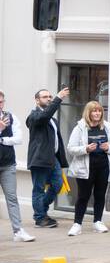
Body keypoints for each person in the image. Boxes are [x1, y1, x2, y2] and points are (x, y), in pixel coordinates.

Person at [26, 87, 69, 229]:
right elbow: (44, 117)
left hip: (53, 158)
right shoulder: (34, 116)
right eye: (45, 97)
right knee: (38, 189)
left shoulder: (53, 120)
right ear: (37, 100)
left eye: (50, 96)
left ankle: (41, 209)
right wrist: (58, 98)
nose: (49, 99)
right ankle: (40, 218)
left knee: (57, 184)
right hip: (39, 159)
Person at [67, 100, 110, 237]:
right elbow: (70, 148)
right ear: (89, 113)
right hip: (85, 167)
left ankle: (97, 222)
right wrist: (85, 148)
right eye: (94, 111)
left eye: (99, 111)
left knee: (100, 195)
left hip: (103, 166)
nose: (97, 113)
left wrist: (109, 147)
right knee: (83, 196)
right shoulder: (80, 128)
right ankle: (77, 224)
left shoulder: (107, 127)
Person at [1, 90, 36, 242]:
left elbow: (19, 138)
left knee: (12, 198)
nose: (0, 105)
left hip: (8, 165)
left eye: (1, 101)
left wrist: (3, 140)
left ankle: (18, 231)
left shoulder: (10, 117)